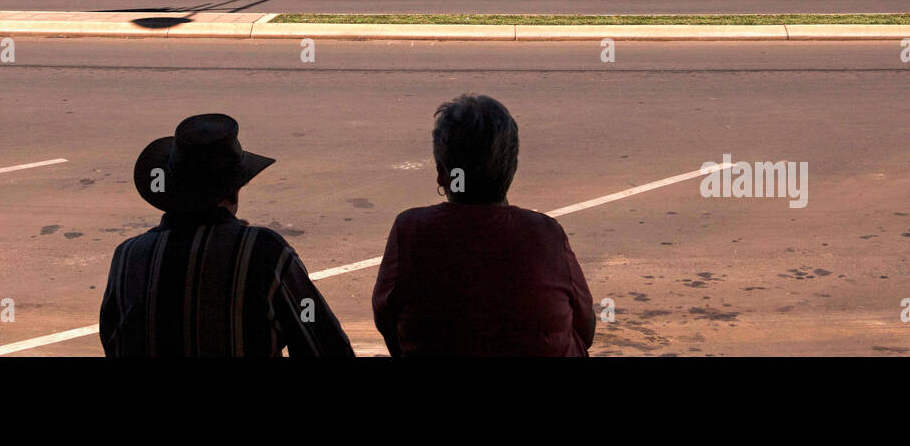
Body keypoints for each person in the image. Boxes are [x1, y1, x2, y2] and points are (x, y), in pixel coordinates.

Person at [100, 113, 355, 357]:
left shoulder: (128, 256)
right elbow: (321, 339)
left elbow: (113, 339)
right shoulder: (263, 252)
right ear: (234, 192)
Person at [372, 94, 595, 356]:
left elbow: (388, 323)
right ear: (512, 167)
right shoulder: (545, 234)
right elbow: (585, 329)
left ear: (442, 173)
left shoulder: (410, 231)